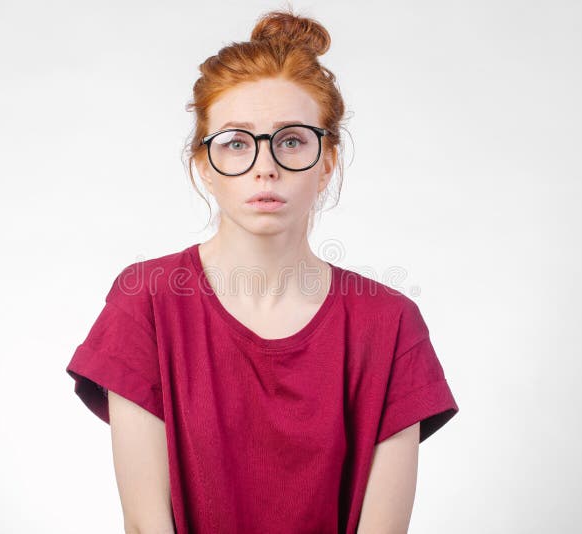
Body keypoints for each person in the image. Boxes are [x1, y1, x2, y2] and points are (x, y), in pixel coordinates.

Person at [66, 7, 459, 534]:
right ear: (204, 165)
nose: (265, 166)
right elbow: (145, 524)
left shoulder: (390, 325)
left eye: (291, 140)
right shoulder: (146, 303)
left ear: (327, 163)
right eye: (236, 142)